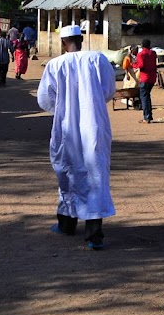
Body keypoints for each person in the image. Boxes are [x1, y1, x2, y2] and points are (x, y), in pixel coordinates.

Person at [37, 24, 116, 250]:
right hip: (94, 125)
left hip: (66, 127)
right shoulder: (98, 59)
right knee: (95, 173)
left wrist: (64, 108)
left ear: (63, 43)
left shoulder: (55, 64)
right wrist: (91, 103)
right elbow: (108, 90)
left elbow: (45, 100)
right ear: (81, 40)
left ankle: (67, 224)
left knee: (67, 172)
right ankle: (94, 234)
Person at [134, 39, 157, 123]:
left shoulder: (141, 54)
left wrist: (133, 64)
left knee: (144, 98)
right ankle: (149, 115)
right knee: (147, 97)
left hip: (145, 78)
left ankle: (146, 117)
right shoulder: (153, 53)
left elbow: (141, 65)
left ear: (142, 45)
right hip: (152, 78)